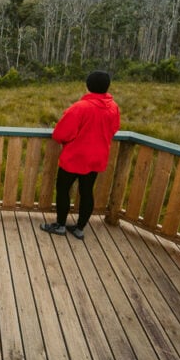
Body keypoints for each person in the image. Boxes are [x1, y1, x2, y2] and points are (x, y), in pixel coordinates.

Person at [40, 70, 121, 239]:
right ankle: (79, 228)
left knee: (63, 189)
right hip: (96, 158)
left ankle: (60, 225)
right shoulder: (113, 108)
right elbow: (113, 129)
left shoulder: (80, 108)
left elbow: (60, 134)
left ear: (88, 86)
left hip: (74, 158)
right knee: (87, 192)